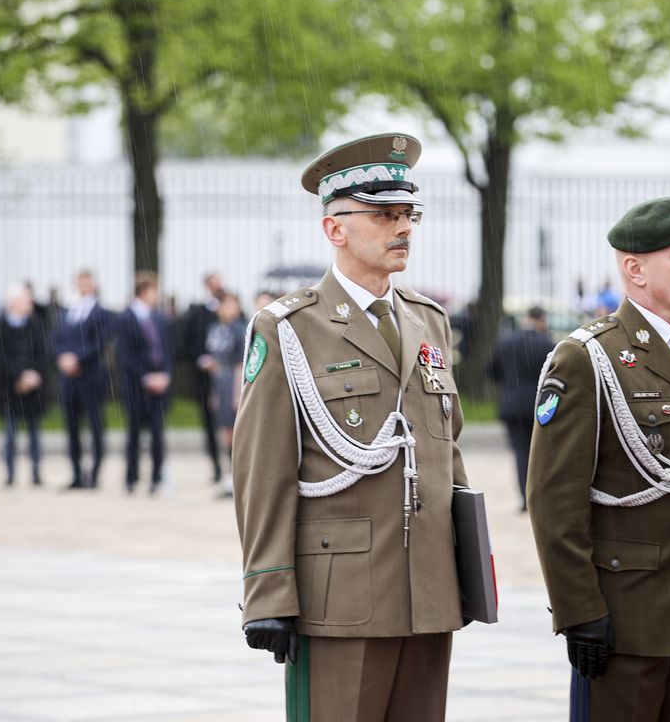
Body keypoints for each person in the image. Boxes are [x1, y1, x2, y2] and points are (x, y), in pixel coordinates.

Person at [234, 133, 469, 721]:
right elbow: (263, 468)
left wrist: (468, 567)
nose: (404, 227)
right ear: (335, 229)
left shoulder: (428, 320)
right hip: (341, 594)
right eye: (384, 215)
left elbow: (446, 450)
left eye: (408, 213)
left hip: (429, 590)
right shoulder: (290, 327)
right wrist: (268, 590)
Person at [527, 197, 670, 722]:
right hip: (630, 614)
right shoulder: (588, 356)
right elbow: (555, 499)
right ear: (635, 269)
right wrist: (579, 612)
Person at [488, 306, 555, 509]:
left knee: (520, 451)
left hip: (512, 404)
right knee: (542, 452)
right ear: (542, 321)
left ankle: (525, 497)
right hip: (541, 405)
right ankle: (541, 494)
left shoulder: (506, 342)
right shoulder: (548, 343)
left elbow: (491, 371)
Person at [52, 270, 114, 489]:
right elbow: (57, 338)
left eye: (88, 280)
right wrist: (63, 358)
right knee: (72, 426)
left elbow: (100, 341)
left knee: (95, 424)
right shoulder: (67, 311)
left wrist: (77, 358)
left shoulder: (102, 313)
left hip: (90, 375)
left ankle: (95, 472)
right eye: (81, 280)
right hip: (68, 378)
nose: (84, 284)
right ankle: (76, 472)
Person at [116, 273, 174, 494]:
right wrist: (146, 376)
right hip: (136, 386)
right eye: (154, 291)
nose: (157, 295)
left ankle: (156, 477)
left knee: (158, 433)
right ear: (144, 291)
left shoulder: (159, 318)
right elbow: (125, 353)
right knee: (134, 432)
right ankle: (131, 476)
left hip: (160, 384)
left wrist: (165, 374)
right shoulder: (125, 319)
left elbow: (167, 349)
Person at [0, 285, 49, 486]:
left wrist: (33, 375)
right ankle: (10, 473)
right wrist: (20, 375)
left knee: (34, 433)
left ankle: (36, 472)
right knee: (10, 433)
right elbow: (0, 356)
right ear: (13, 302)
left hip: (33, 389)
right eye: (25, 299)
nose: (29, 303)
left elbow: (43, 352)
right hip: (10, 388)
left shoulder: (36, 324)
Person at [201, 292, 247, 497]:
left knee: (236, 433)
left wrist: (238, 392)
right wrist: (214, 392)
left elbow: (240, 363)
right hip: (219, 379)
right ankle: (229, 478)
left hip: (232, 379)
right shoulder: (215, 328)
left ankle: (238, 480)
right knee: (225, 434)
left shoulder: (240, 329)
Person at [182, 273, 226, 483]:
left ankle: (232, 466)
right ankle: (216, 466)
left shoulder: (233, 309)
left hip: (226, 377)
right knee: (208, 423)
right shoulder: (197, 313)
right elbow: (188, 341)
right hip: (205, 378)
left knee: (231, 423)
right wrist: (201, 360)